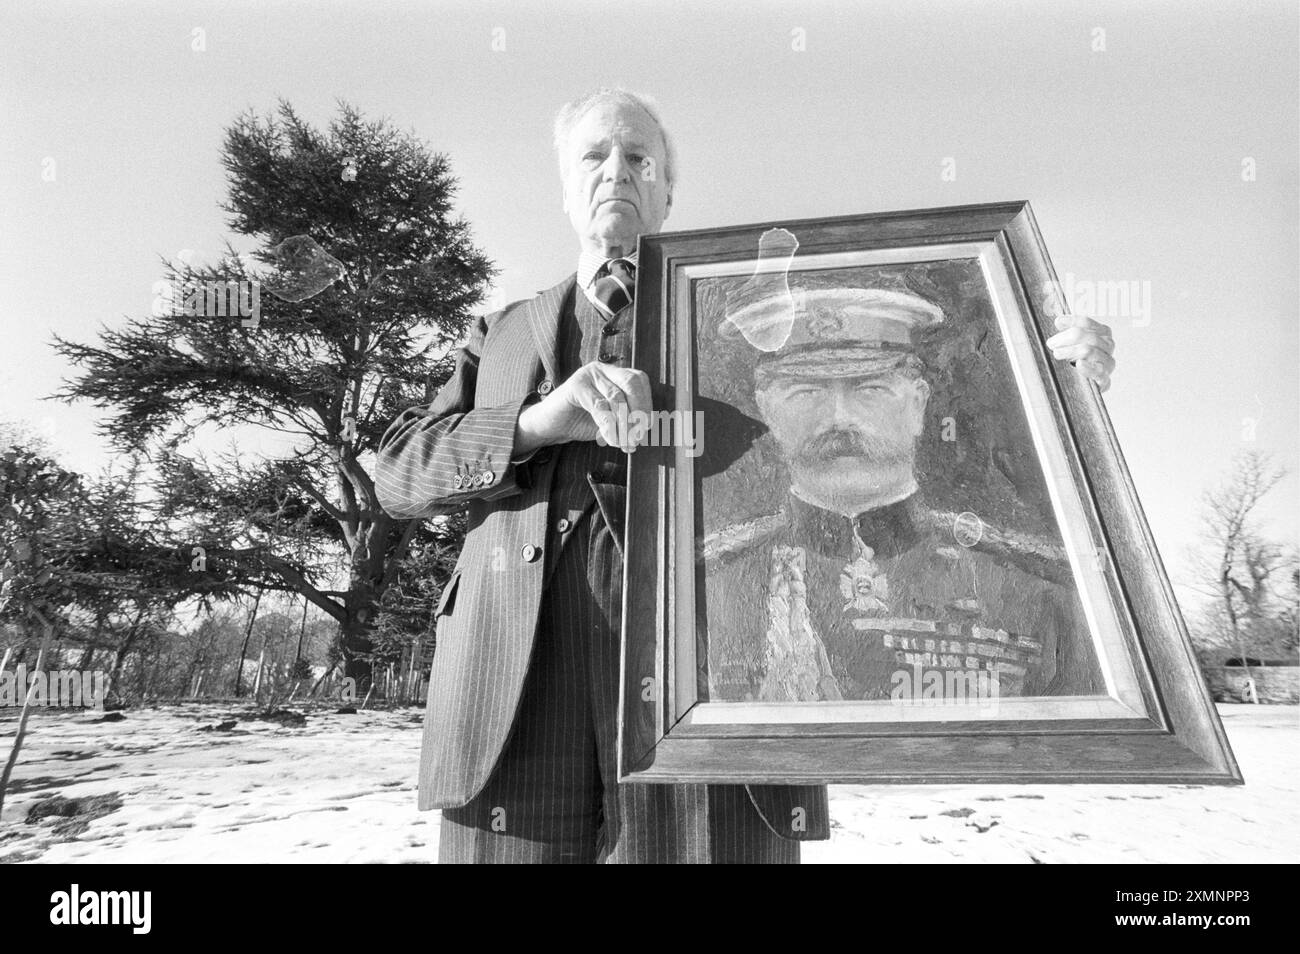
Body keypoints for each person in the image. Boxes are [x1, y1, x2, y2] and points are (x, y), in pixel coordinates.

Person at [375, 87, 1117, 863]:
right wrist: (537, 422)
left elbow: (930, 432)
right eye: (595, 156)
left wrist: (1046, 367)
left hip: (717, 688)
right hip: (513, 700)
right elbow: (397, 472)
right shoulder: (499, 335)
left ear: (666, 189)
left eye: (640, 158)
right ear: (564, 185)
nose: (616, 172)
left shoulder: (744, 329)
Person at [703, 282, 1104, 703]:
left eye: (870, 389)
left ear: (918, 405)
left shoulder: (1038, 586)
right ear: (768, 410)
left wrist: (1078, 397)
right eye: (806, 391)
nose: (840, 418)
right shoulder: (711, 583)